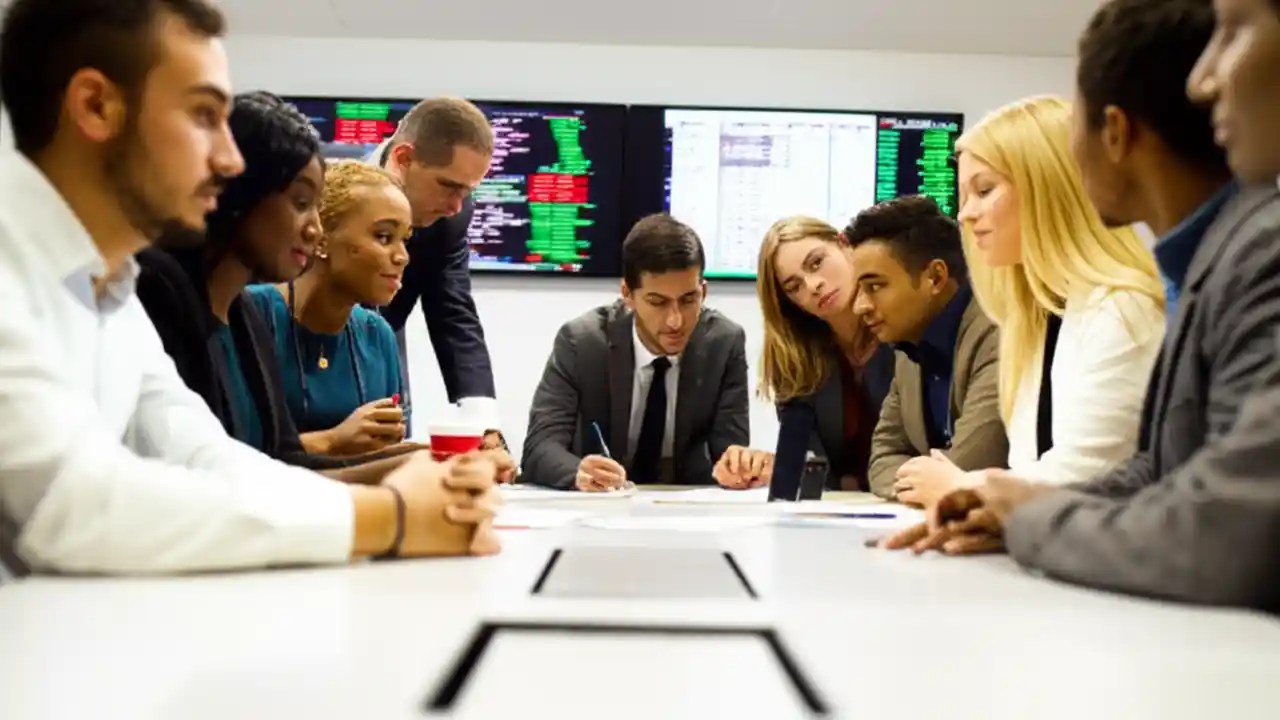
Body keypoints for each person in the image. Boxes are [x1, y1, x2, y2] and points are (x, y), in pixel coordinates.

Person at [0, 0, 500, 575]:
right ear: (96, 106)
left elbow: (207, 455)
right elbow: (69, 509)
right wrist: (388, 516)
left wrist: (410, 498)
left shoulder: (114, 286)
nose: (230, 158)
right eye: (204, 116)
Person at [884, 0, 1280, 612]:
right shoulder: (1204, 267)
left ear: (1113, 133)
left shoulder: (1249, 257)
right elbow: (1159, 473)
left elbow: (1227, 529)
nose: (1206, 81)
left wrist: (1024, 515)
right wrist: (1006, 502)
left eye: (985, 190)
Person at [136, 92, 439, 485]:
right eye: (300, 202)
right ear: (240, 190)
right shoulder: (162, 293)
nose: (313, 229)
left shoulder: (242, 314)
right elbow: (212, 480)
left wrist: (427, 464)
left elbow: (284, 461)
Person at [889, 96, 1167, 507]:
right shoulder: (1034, 320)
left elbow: (1087, 477)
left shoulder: (1124, 310)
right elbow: (1029, 470)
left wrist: (960, 489)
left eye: (984, 189)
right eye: (965, 195)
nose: (964, 214)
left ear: (1049, 189)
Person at [521, 214, 750, 491]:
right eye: (658, 302)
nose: (675, 321)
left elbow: (729, 451)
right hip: (600, 508)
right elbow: (540, 448)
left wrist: (738, 465)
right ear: (627, 294)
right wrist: (577, 472)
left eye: (689, 299)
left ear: (704, 290)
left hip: (686, 512)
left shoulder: (724, 343)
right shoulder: (582, 342)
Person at [713, 216, 895, 492]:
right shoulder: (797, 361)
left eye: (816, 263)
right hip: (841, 516)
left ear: (843, 244)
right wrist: (767, 466)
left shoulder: (901, 329)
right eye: (794, 286)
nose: (813, 285)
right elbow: (807, 467)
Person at [844, 196, 1008, 501]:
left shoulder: (998, 330)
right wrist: (924, 485)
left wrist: (932, 482)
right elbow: (881, 459)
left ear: (935, 277)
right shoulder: (909, 344)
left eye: (875, 286)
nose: (860, 307)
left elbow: (969, 466)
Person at [246, 160, 411, 456]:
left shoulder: (378, 335)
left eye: (405, 240)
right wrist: (332, 441)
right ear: (321, 239)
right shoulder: (250, 314)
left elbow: (386, 456)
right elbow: (223, 454)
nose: (402, 257)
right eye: (384, 237)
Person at [372, 98, 499, 426]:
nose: (457, 206)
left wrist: (482, 423)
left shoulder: (450, 218)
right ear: (404, 159)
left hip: (383, 350)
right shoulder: (319, 188)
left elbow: (453, 313)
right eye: (449, 186)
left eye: (467, 191)